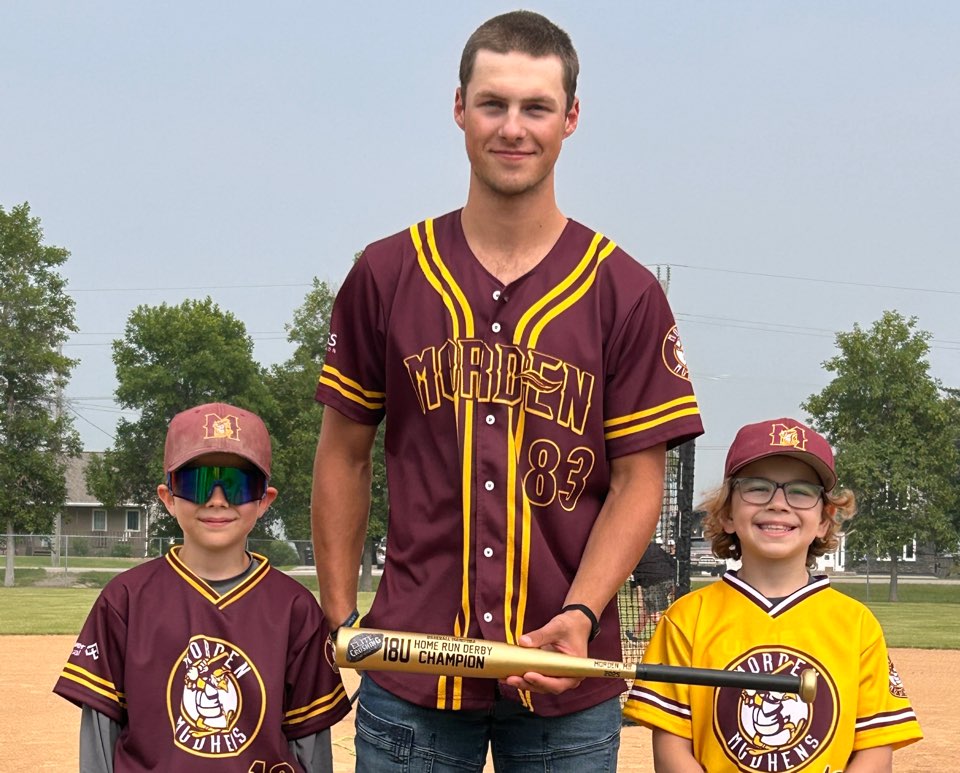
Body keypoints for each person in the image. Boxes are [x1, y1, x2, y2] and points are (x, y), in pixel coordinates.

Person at [311, 10, 703, 770]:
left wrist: (581, 613)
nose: (513, 127)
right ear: (459, 107)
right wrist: (338, 611)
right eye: (493, 103)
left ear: (571, 118)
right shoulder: (388, 273)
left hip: (568, 677)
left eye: (536, 107)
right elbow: (344, 451)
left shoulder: (621, 290)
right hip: (414, 665)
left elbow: (636, 481)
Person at [54, 402, 350, 772]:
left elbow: (310, 744)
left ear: (264, 501)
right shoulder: (125, 599)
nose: (217, 499)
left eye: (239, 485)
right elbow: (100, 734)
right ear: (168, 497)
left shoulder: (295, 609)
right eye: (198, 482)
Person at [623, 417, 923, 772]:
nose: (779, 503)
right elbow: (672, 748)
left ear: (824, 520)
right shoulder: (687, 619)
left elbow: (875, 750)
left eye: (800, 491)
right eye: (757, 487)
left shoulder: (856, 625)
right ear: (727, 514)